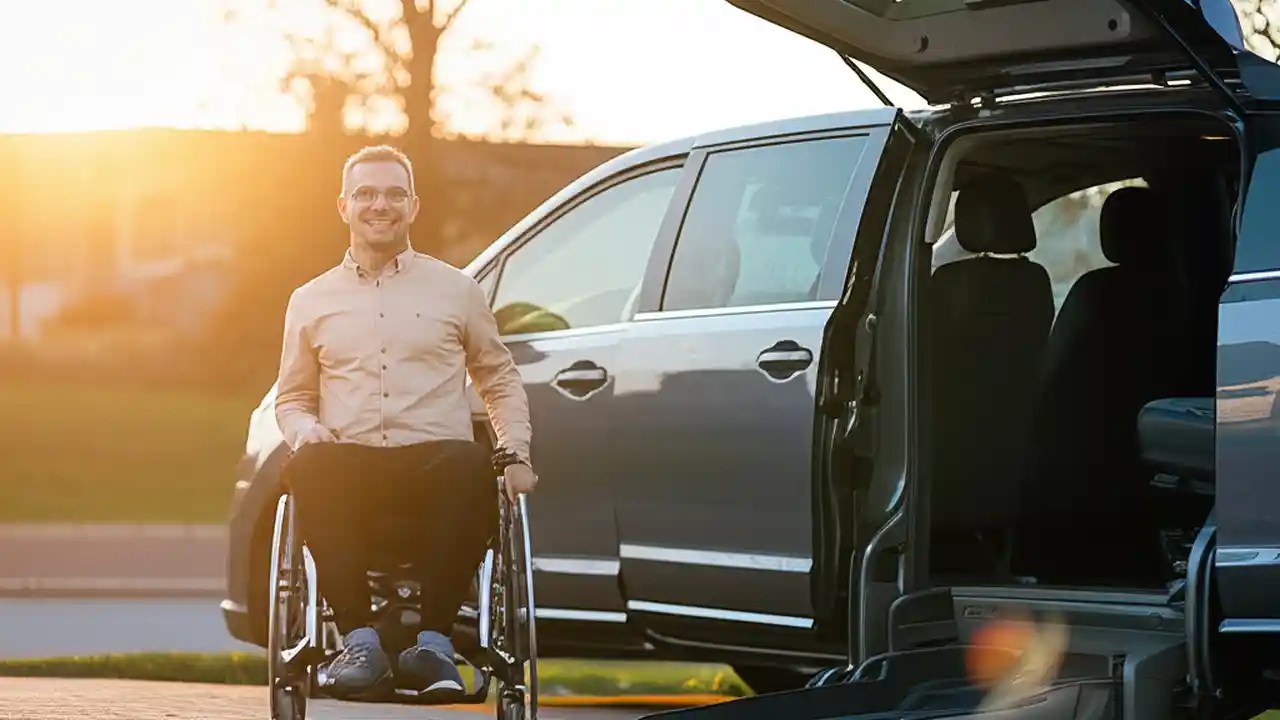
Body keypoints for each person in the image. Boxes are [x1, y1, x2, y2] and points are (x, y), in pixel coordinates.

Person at [273, 145, 537, 700]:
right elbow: (293, 398)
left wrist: (515, 451)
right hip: (349, 468)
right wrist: (303, 430)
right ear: (343, 206)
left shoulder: (457, 290)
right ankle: (359, 643)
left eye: (394, 194)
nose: (380, 205)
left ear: (414, 206)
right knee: (310, 463)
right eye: (366, 193)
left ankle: (433, 644)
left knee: (471, 460)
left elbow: (498, 377)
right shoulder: (310, 300)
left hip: (436, 468)